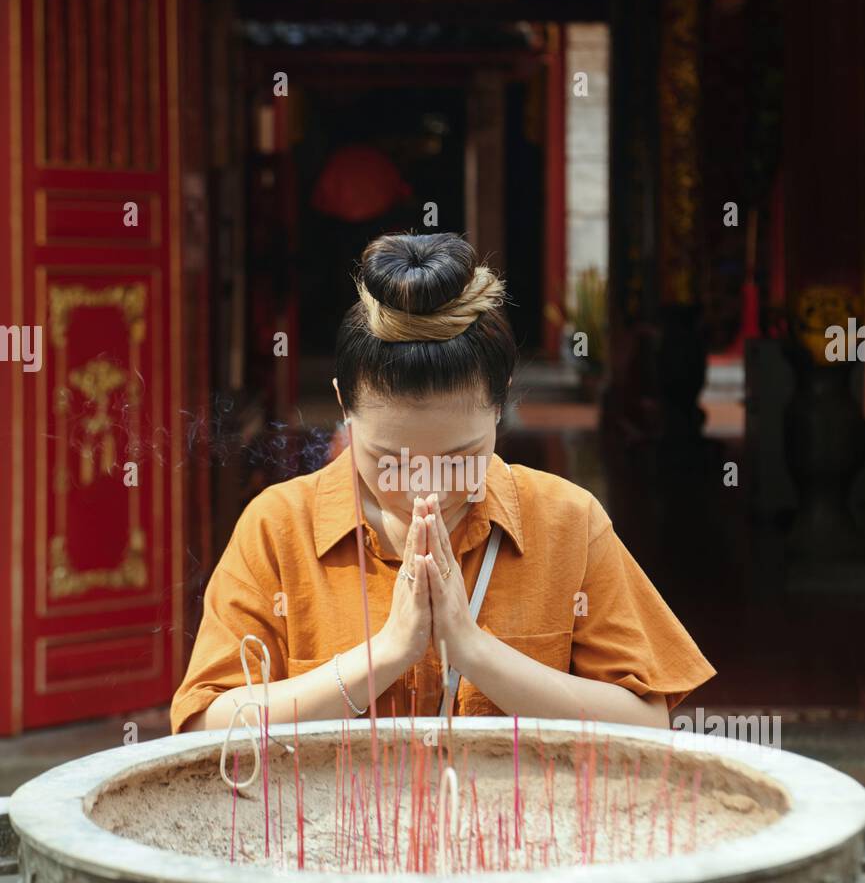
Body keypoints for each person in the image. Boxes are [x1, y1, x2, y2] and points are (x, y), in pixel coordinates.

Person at [171, 232, 715, 734]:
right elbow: (205, 726)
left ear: (500, 402)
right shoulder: (279, 527)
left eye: (460, 457)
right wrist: (384, 655)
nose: (423, 487)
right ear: (343, 405)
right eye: (389, 459)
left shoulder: (568, 521)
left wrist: (474, 650)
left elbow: (646, 722)